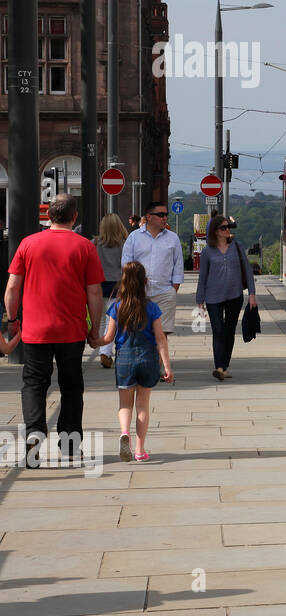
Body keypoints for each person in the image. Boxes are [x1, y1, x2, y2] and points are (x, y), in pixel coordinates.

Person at [4, 194, 105, 468]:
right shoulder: (85, 247)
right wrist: (95, 330)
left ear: (48, 215)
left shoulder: (28, 244)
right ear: (75, 217)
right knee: (72, 386)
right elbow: (94, 292)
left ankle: (34, 432)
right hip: (71, 330)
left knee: (34, 384)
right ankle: (70, 446)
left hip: (35, 330)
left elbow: (12, 288)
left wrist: (12, 320)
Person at [95, 261, 173, 462]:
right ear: (145, 282)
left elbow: (108, 338)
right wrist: (167, 366)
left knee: (124, 405)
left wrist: (94, 341)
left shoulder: (116, 307)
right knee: (143, 406)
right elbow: (160, 338)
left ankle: (124, 433)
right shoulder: (152, 308)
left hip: (124, 360)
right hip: (148, 359)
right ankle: (139, 450)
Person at [196, 215, 256, 380]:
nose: (227, 229)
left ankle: (224, 365)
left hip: (234, 295)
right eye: (223, 227)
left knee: (229, 331)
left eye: (228, 226)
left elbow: (248, 272)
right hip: (213, 297)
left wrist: (252, 294)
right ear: (215, 232)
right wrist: (199, 301)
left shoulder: (237, 247)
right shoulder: (207, 252)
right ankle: (219, 367)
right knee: (218, 331)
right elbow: (203, 277)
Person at [122, 200, 185, 342]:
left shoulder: (173, 238)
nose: (165, 218)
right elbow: (126, 264)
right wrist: (131, 288)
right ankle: (145, 362)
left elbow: (178, 266)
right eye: (160, 215)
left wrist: (173, 290)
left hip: (164, 293)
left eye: (166, 215)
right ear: (149, 216)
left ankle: (158, 364)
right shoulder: (134, 237)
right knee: (140, 332)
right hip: (139, 293)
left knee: (162, 335)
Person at [93, 213, 129, 368]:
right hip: (117, 286)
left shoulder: (94, 243)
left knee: (100, 319)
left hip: (97, 286)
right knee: (112, 320)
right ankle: (106, 352)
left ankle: (101, 346)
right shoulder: (124, 244)